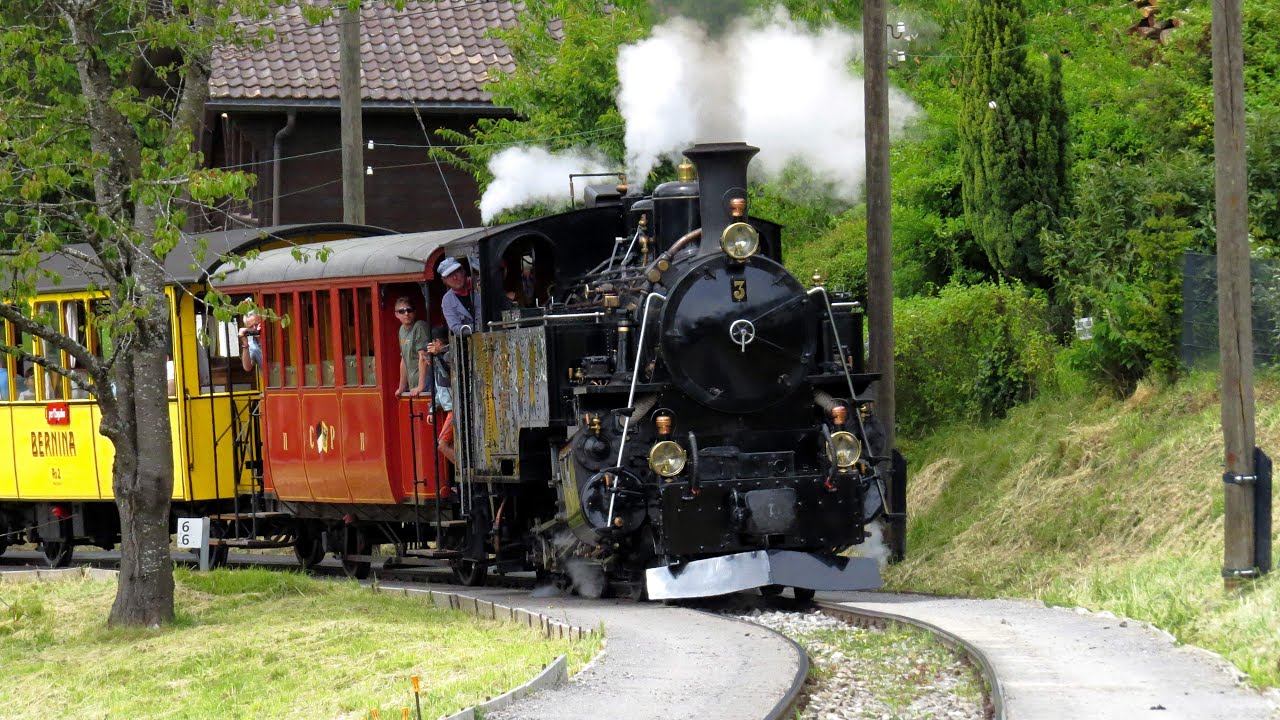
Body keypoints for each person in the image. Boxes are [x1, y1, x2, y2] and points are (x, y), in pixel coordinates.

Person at [425, 326, 456, 465]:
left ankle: (465, 474)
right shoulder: (439, 357)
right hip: (451, 409)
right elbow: (440, 389)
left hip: (455, 409)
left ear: (437, 342)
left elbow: (449, 375)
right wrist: (432, 406)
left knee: (442, 444)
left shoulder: (448, 355)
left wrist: (437, 356)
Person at [394, 297, 430, 398]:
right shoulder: (401, 330)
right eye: (402, 311)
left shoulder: (419, 327)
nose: (406, 314)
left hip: (426, 386)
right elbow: (404, 360)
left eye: (409, 310)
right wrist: (401, 387)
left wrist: (420, 386)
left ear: (414, 312)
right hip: (414, 388)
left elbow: (424, 357)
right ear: (396, 314)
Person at [439, 257, 481, 335]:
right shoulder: (447, 300)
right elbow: (456, 328)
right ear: (444, 280)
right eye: (449, 275)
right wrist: (479, 328)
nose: (455, 277)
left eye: (456, 272)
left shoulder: (480, 284)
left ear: (463, 271)